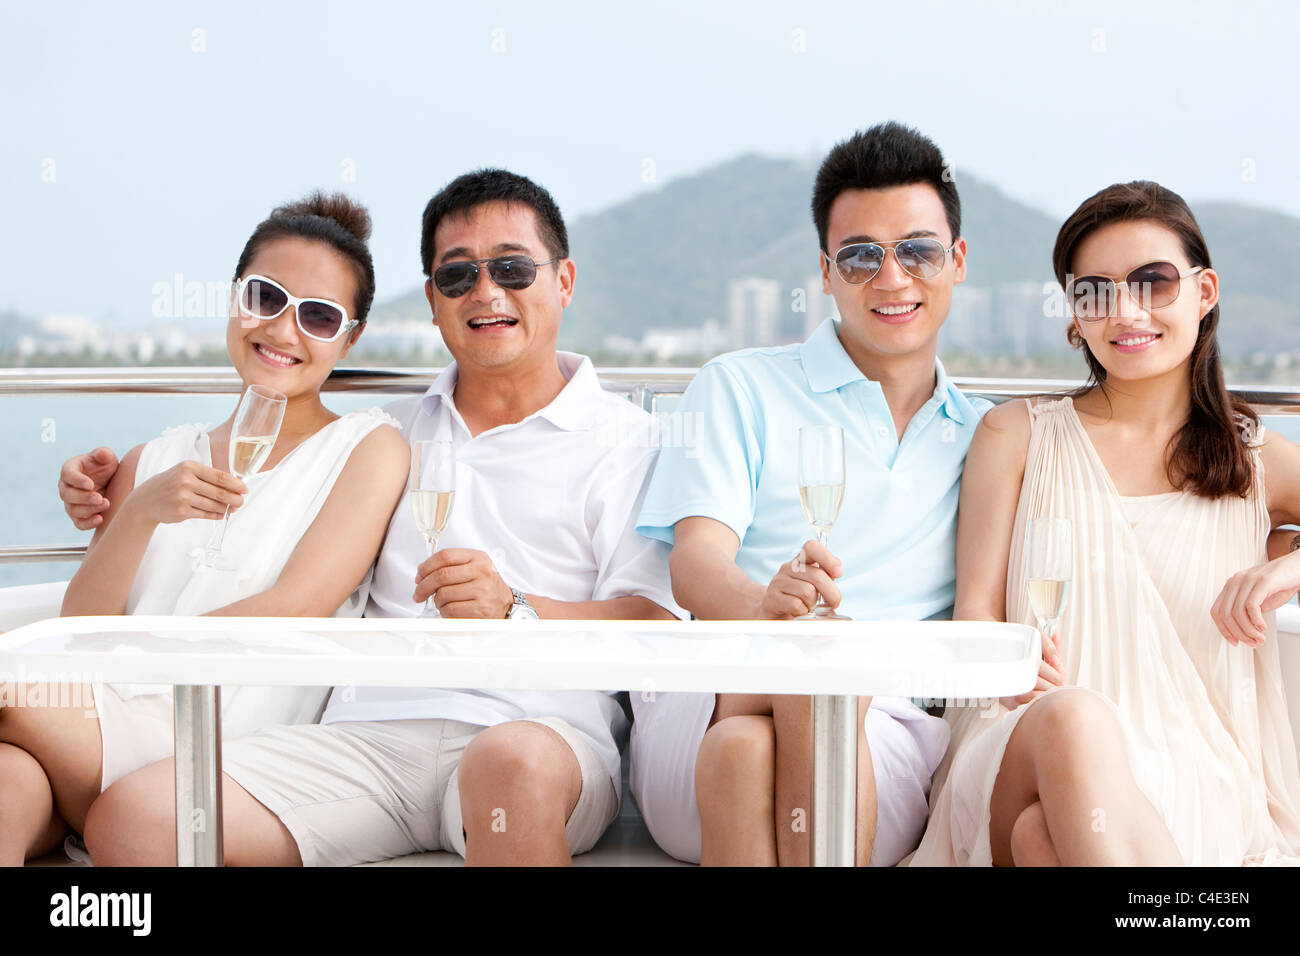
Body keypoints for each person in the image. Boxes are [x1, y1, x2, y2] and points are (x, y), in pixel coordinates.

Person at [62, 169, 680, 867]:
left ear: (563, 281)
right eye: (457, 276)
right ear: (431, 300)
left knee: (512, 769)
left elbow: (654, 624)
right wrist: (108, 490)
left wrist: (517, 609)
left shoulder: (632, 440)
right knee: (136, 820)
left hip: (535, 731)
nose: (485, 292)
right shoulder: (378, 434)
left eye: (511, 268)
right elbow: (259, 489)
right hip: (365, 735)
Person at [3, 193, 409, 866]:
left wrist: (143, 660)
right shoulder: (156, 460)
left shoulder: (366, 448)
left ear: (351, 338)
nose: (283, 330)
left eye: (317, 315)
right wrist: (137, 512)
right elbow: (82, 621)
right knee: (7, 777)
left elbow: (297, 606)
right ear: (233, 299)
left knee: (10, 695)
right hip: (98, 721)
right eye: (265, 296)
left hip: (221, 736)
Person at [911, 180, 1300, 866]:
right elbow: (975, 610)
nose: (1125, 311)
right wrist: (1004, 666)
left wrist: (1285, 568)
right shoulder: (1017, 435)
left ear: (1204, 292)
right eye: (1095, 291)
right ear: (1074, 312)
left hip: (1195, 773)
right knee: (1073, 717)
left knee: (1043, 840)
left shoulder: (1253, 457)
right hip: (1023, 734)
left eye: (1153, 283)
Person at [630, 122, 989, 865]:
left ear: (955, 262)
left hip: (878, 736)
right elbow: (695, 567)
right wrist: (770, 609)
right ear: (826, 274)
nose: (891, 280)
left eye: (917, 252)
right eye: (860, 257)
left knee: (749, 750)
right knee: (808, 671)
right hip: (708, 700)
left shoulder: (986, 436)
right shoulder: (738, 384)